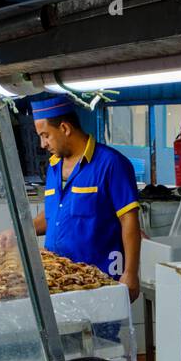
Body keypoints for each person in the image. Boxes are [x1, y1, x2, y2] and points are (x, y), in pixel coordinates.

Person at [23, 95, 141, 301]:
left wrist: (130, 273)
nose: (42, 144)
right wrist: (19, 233)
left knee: (101, 333)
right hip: (59, 281)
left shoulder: (111, 164)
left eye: (45, 135)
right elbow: (55, 214)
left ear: (65, 128)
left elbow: (129, 220)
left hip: (99, 281)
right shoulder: (53, 167)